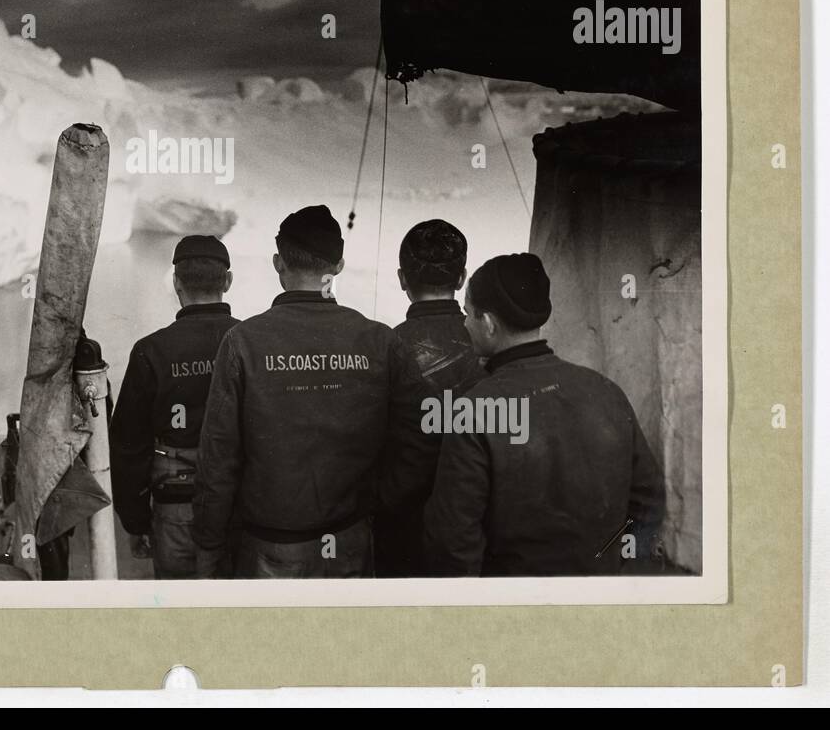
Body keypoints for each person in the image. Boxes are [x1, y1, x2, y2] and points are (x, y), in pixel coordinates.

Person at [423, 253, 666, 576]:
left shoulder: (474, 409)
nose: (465, 324)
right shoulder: (606, 391)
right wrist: (609, 561)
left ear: (489, 324)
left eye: (468, 314)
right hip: (597, 600)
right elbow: (648, 500)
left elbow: (453, 543)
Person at [192, 205, 396, 579]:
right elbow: (402, 442)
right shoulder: (379, 340)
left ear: (278, 263)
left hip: (271, 546)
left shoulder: (243, 342)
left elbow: (219, 456)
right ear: (338, 267)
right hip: (350, 539)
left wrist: (208, 542)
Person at [109, 235, 240, 579]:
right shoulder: (252, 342)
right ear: (227, 281)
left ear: (175, 283)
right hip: (242, 506)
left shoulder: (151, 351)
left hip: (175, 511)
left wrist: (136, 522)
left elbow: (128, 447)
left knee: (180, 614)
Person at [375, 219, 481, 577]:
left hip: (401, 527)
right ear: (462, 277)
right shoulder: (490, 344)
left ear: (403, 279)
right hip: (478, 524)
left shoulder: (383, 346)